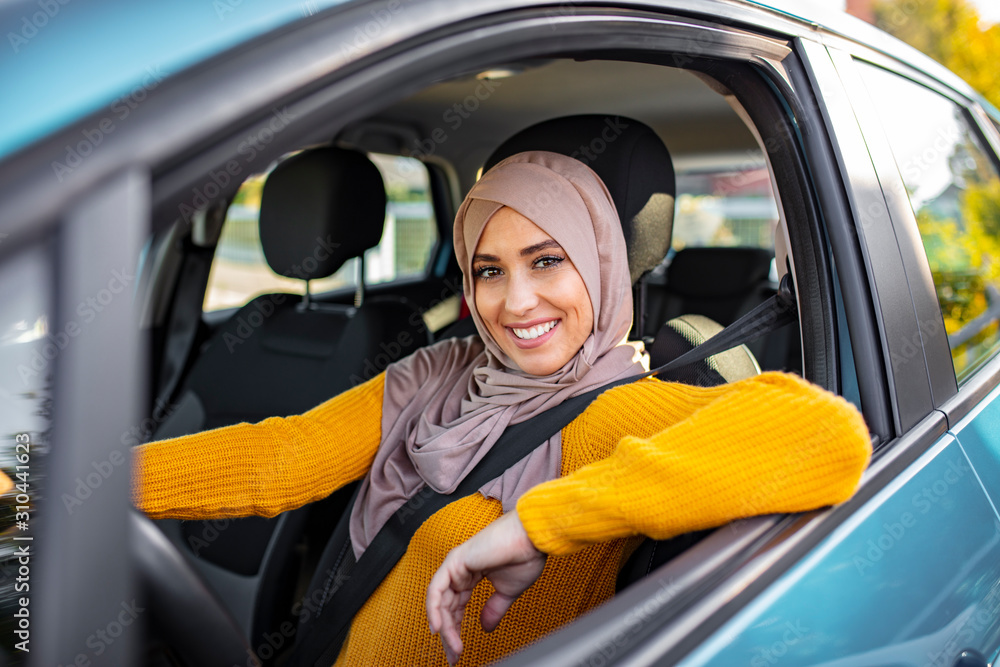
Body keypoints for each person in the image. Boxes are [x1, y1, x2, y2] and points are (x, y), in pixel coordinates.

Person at [132, 150, 871, 666]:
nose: (516, 302)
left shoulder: (617, 411)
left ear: (602, 263)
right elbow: (281, 457)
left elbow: (828, 435)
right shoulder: (442, 367)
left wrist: (538, 523)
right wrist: (66, 484)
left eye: (548, 260)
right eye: (489, 270)